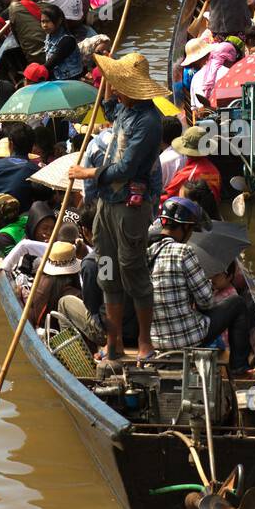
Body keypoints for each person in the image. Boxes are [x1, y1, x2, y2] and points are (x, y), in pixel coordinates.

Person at [68, 52, 168, 364]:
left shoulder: (149, 121)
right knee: (108, 274)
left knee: (133, 273)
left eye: (122, 86)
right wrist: (108, 78)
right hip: (107, 206)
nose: (118, 92)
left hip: (130, 208)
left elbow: (124, 168)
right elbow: (109, 108)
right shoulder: (125, 109)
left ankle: (144, 343)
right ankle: (112, 342)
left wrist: (87, 173)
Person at [148, 197, 251, 373]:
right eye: (190, 230)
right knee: (238, 304)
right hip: (188, 338)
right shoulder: (184, 251)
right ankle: (239, 367)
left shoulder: (147, 253)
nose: (190, 235)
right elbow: (206, 302)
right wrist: (208, 286)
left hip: (156, 340)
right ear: (185, 227)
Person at [7, 0, 46, 64]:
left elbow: (17, 37)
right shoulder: (49, 7)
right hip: (56, 54)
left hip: (35, 59)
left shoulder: (14, 8)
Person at [39, 3, 83, 79]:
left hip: (70, 78)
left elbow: (51, 63)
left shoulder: (67, 40)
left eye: (48, 21)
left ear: (59, 21)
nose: (44, 25)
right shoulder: (49, 36)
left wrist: (36, 72)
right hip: (57, 75)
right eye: (43, 22)